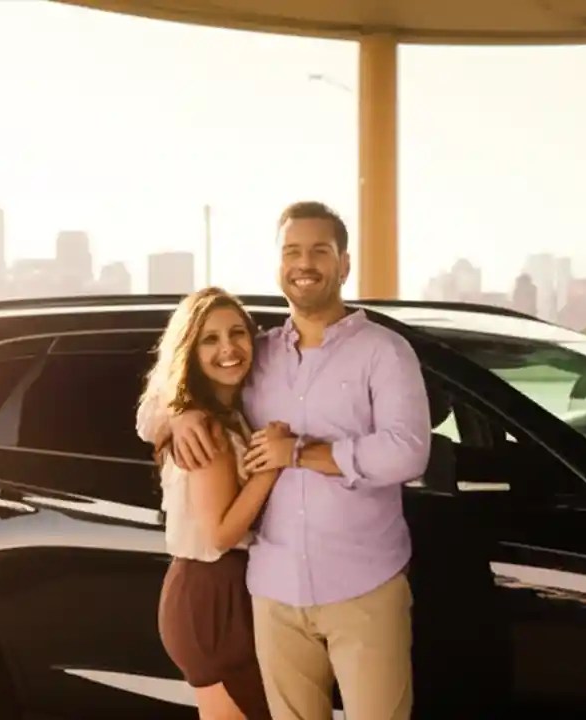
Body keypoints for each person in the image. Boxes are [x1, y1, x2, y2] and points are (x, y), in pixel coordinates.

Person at [152, 201, 431, 720]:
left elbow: (408, 451)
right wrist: (177, 414)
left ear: (344, 264)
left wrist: (301, 453)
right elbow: (188, 378)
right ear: (279, 264)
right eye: (292, 251)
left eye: (319, 251)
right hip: (272, 592)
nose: (305, 263)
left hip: (364, 586)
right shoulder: (258, 353)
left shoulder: (384, 352)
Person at [135, 287, 277, 720]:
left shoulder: (218, 415)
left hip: (216, 591)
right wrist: (272, 468)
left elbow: (148, 414)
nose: (228, 348)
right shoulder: (207, 430)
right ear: (190, 351)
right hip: (212, 595)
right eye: (210, 339)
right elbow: (218, 533)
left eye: (238, 333)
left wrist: (175, 413)